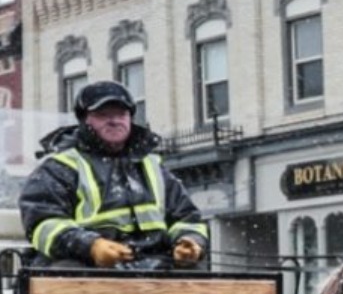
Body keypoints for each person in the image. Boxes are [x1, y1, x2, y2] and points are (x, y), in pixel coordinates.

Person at [20, 81, 209, 270]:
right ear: (84, 120)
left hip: (153, 264)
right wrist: (91, 246)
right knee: (67, 273)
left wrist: (190, 242)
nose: (114, 120)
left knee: (199, 282)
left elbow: (187, 217)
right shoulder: (60, 167)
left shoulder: (152, 165)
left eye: (122, 114)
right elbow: (43, 224)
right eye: (103, 115)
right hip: (88, 265)